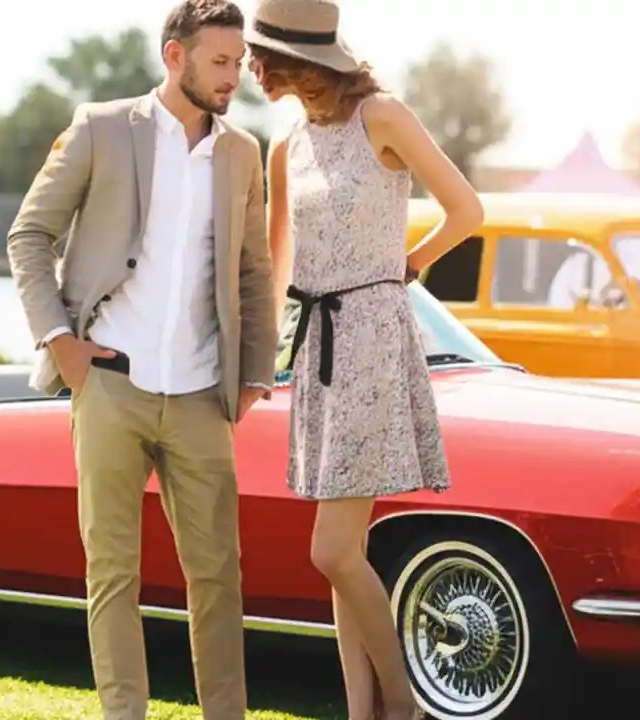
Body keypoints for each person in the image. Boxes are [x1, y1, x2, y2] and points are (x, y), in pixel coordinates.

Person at [5, 0, 277, 717]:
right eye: (220, 62)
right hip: (110, 383)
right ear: (175, 56)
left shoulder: (243, 152)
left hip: (199, 394)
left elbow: (254, 268)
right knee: (113, 574)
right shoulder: (100, 128)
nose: (233, 76)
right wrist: (59, 342)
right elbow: (29, 235)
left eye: (239, 62)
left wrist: (255, 372)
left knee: (219, 576)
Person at [244, 1, 484, 718]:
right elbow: (276, 263)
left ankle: (403, 706)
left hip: (374, 336)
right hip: (316, 343)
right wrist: (253, 354)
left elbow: (466, 209)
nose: (251, 69)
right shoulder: (286, 145)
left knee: (332, 550)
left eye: (261, 56)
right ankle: (363, 711)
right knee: (344, 557)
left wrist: (405, 267)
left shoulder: (382, 116)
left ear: (300, 59)